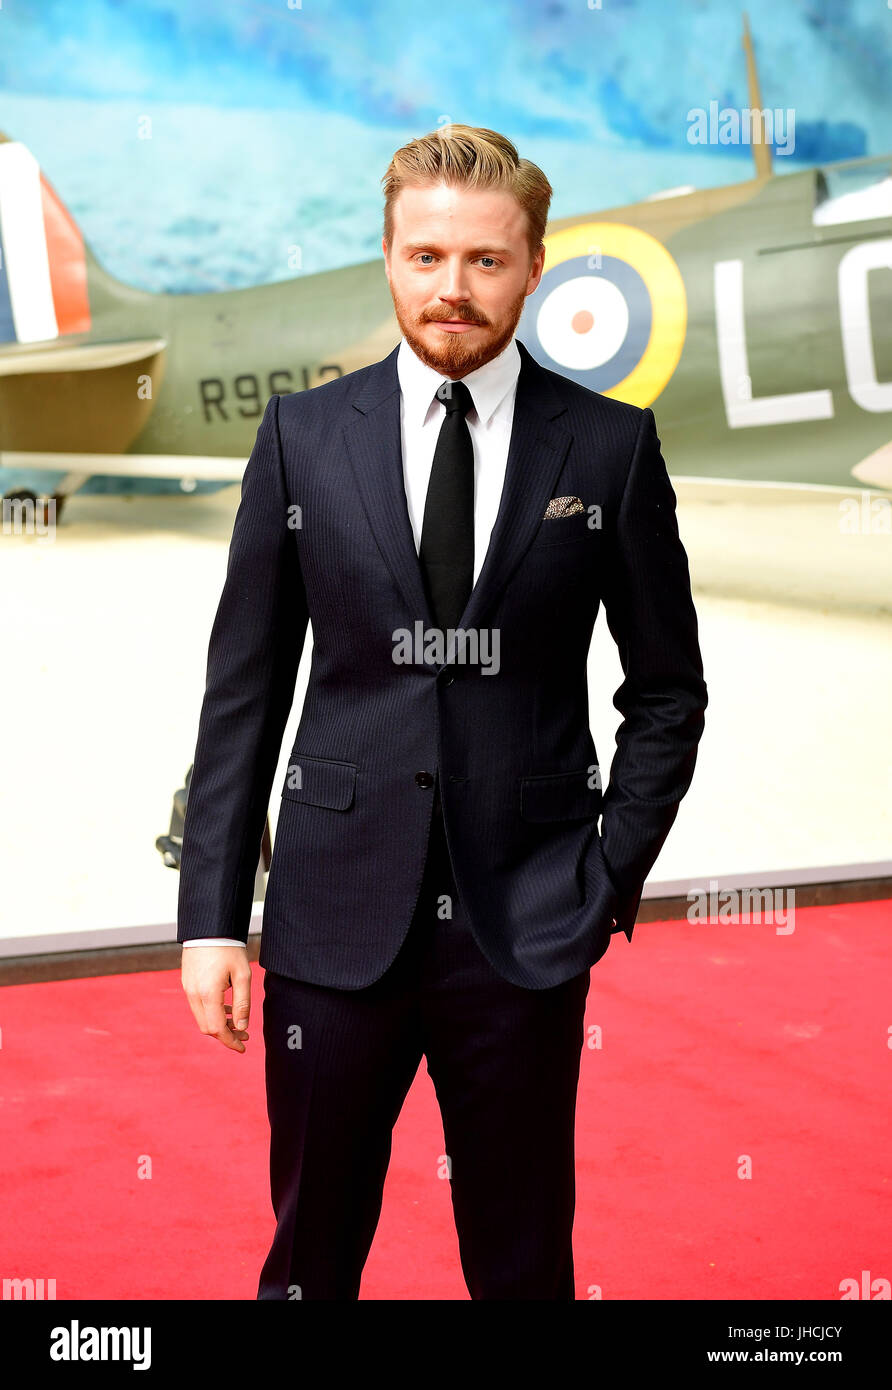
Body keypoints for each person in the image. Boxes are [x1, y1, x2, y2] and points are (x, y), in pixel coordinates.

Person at [178, 125, 708, 1300]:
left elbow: (666, 690)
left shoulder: (611, 447)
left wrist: (603, 869)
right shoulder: (303, 437)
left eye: (481, 260)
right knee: (310, 1257)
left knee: (522, 1266)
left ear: (532, 266)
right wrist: (212, 916)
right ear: (386, 257)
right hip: (331, 918)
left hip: (522, 927)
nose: (450, 289)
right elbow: (243, 692)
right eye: (423, 257)